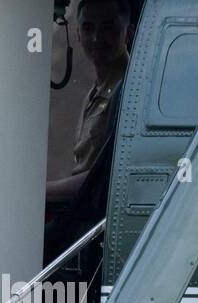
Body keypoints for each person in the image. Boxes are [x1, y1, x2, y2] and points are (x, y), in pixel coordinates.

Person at [46, 0, 134, 205]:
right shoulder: (96, 91)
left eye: (107, 28)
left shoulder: (127, 92)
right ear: (78, 35)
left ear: (128, 33)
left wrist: (40, 191)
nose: (96, 38)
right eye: (88, 28)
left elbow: (103, 179)